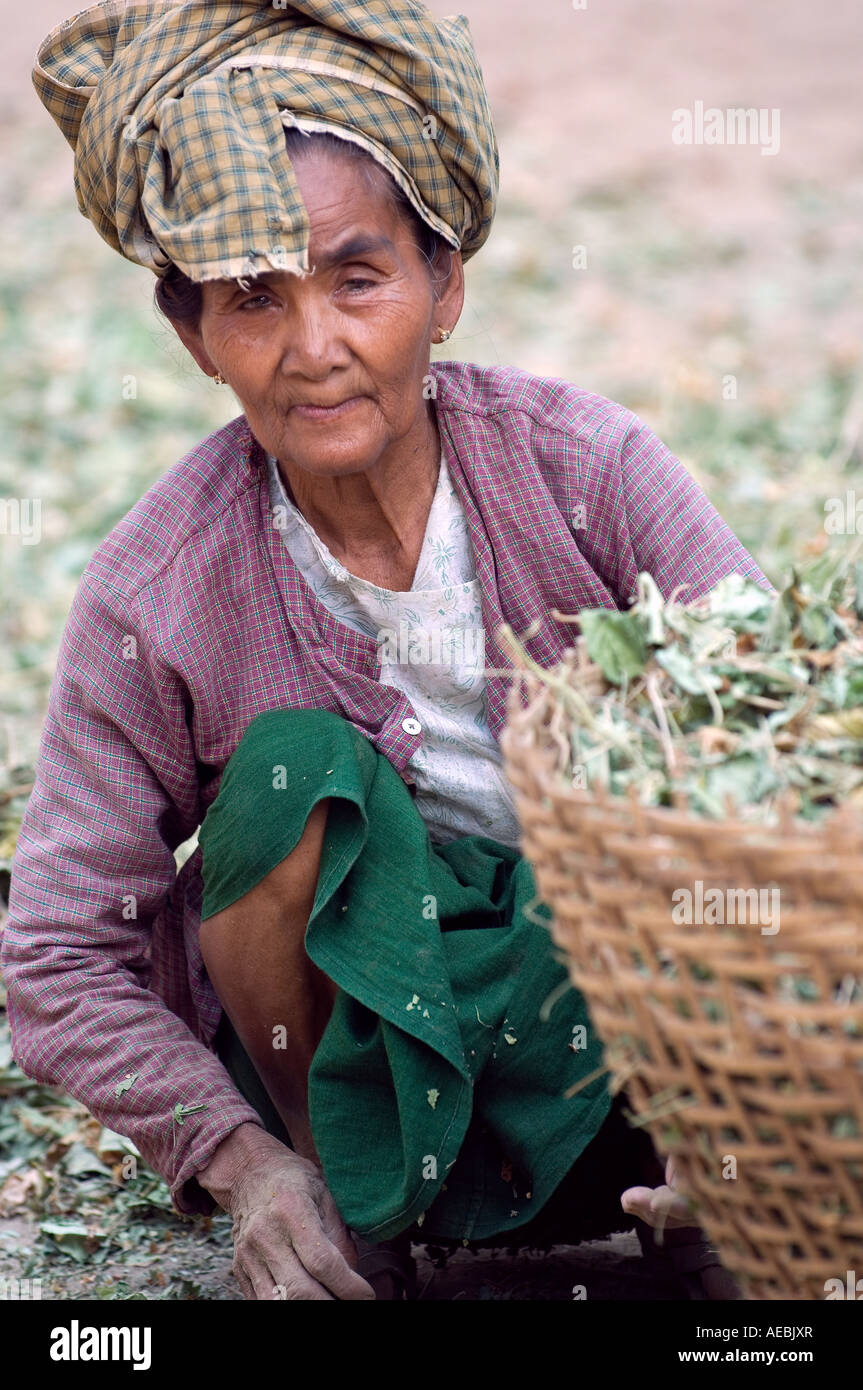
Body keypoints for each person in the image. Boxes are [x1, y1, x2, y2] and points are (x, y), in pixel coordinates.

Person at [2, 0, 765, 1301]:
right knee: (299, 774)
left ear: (443, 282)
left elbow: (785, 759)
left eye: (359, 279)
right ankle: (350, 1214)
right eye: (253, 299)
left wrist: (747, 1101)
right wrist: (244, 1162)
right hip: (356, 1095)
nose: (316, 348)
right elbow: (59, 951)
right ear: (190, 336)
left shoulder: (591, 471)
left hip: (636, 1066)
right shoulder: (159, 587)